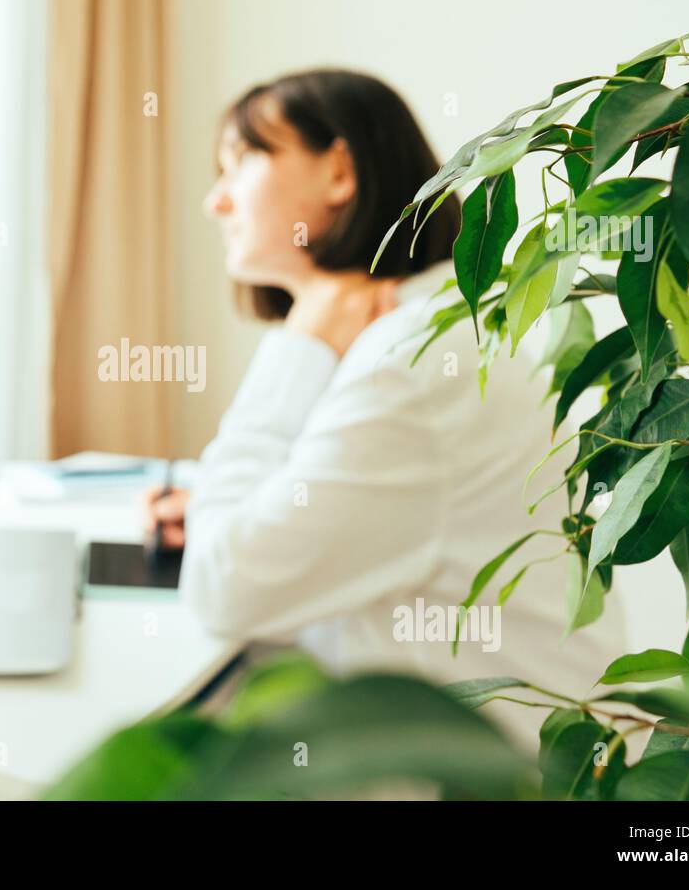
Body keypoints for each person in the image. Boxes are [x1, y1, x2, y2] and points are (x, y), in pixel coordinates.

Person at [144, 68, 627, 752]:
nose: (214, 201)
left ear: (339, 171)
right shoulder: (428, 329)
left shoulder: (413, 361)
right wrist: (218, 511)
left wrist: (298, 348)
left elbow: (223, 590)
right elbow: (330, 535)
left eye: (242, 160)